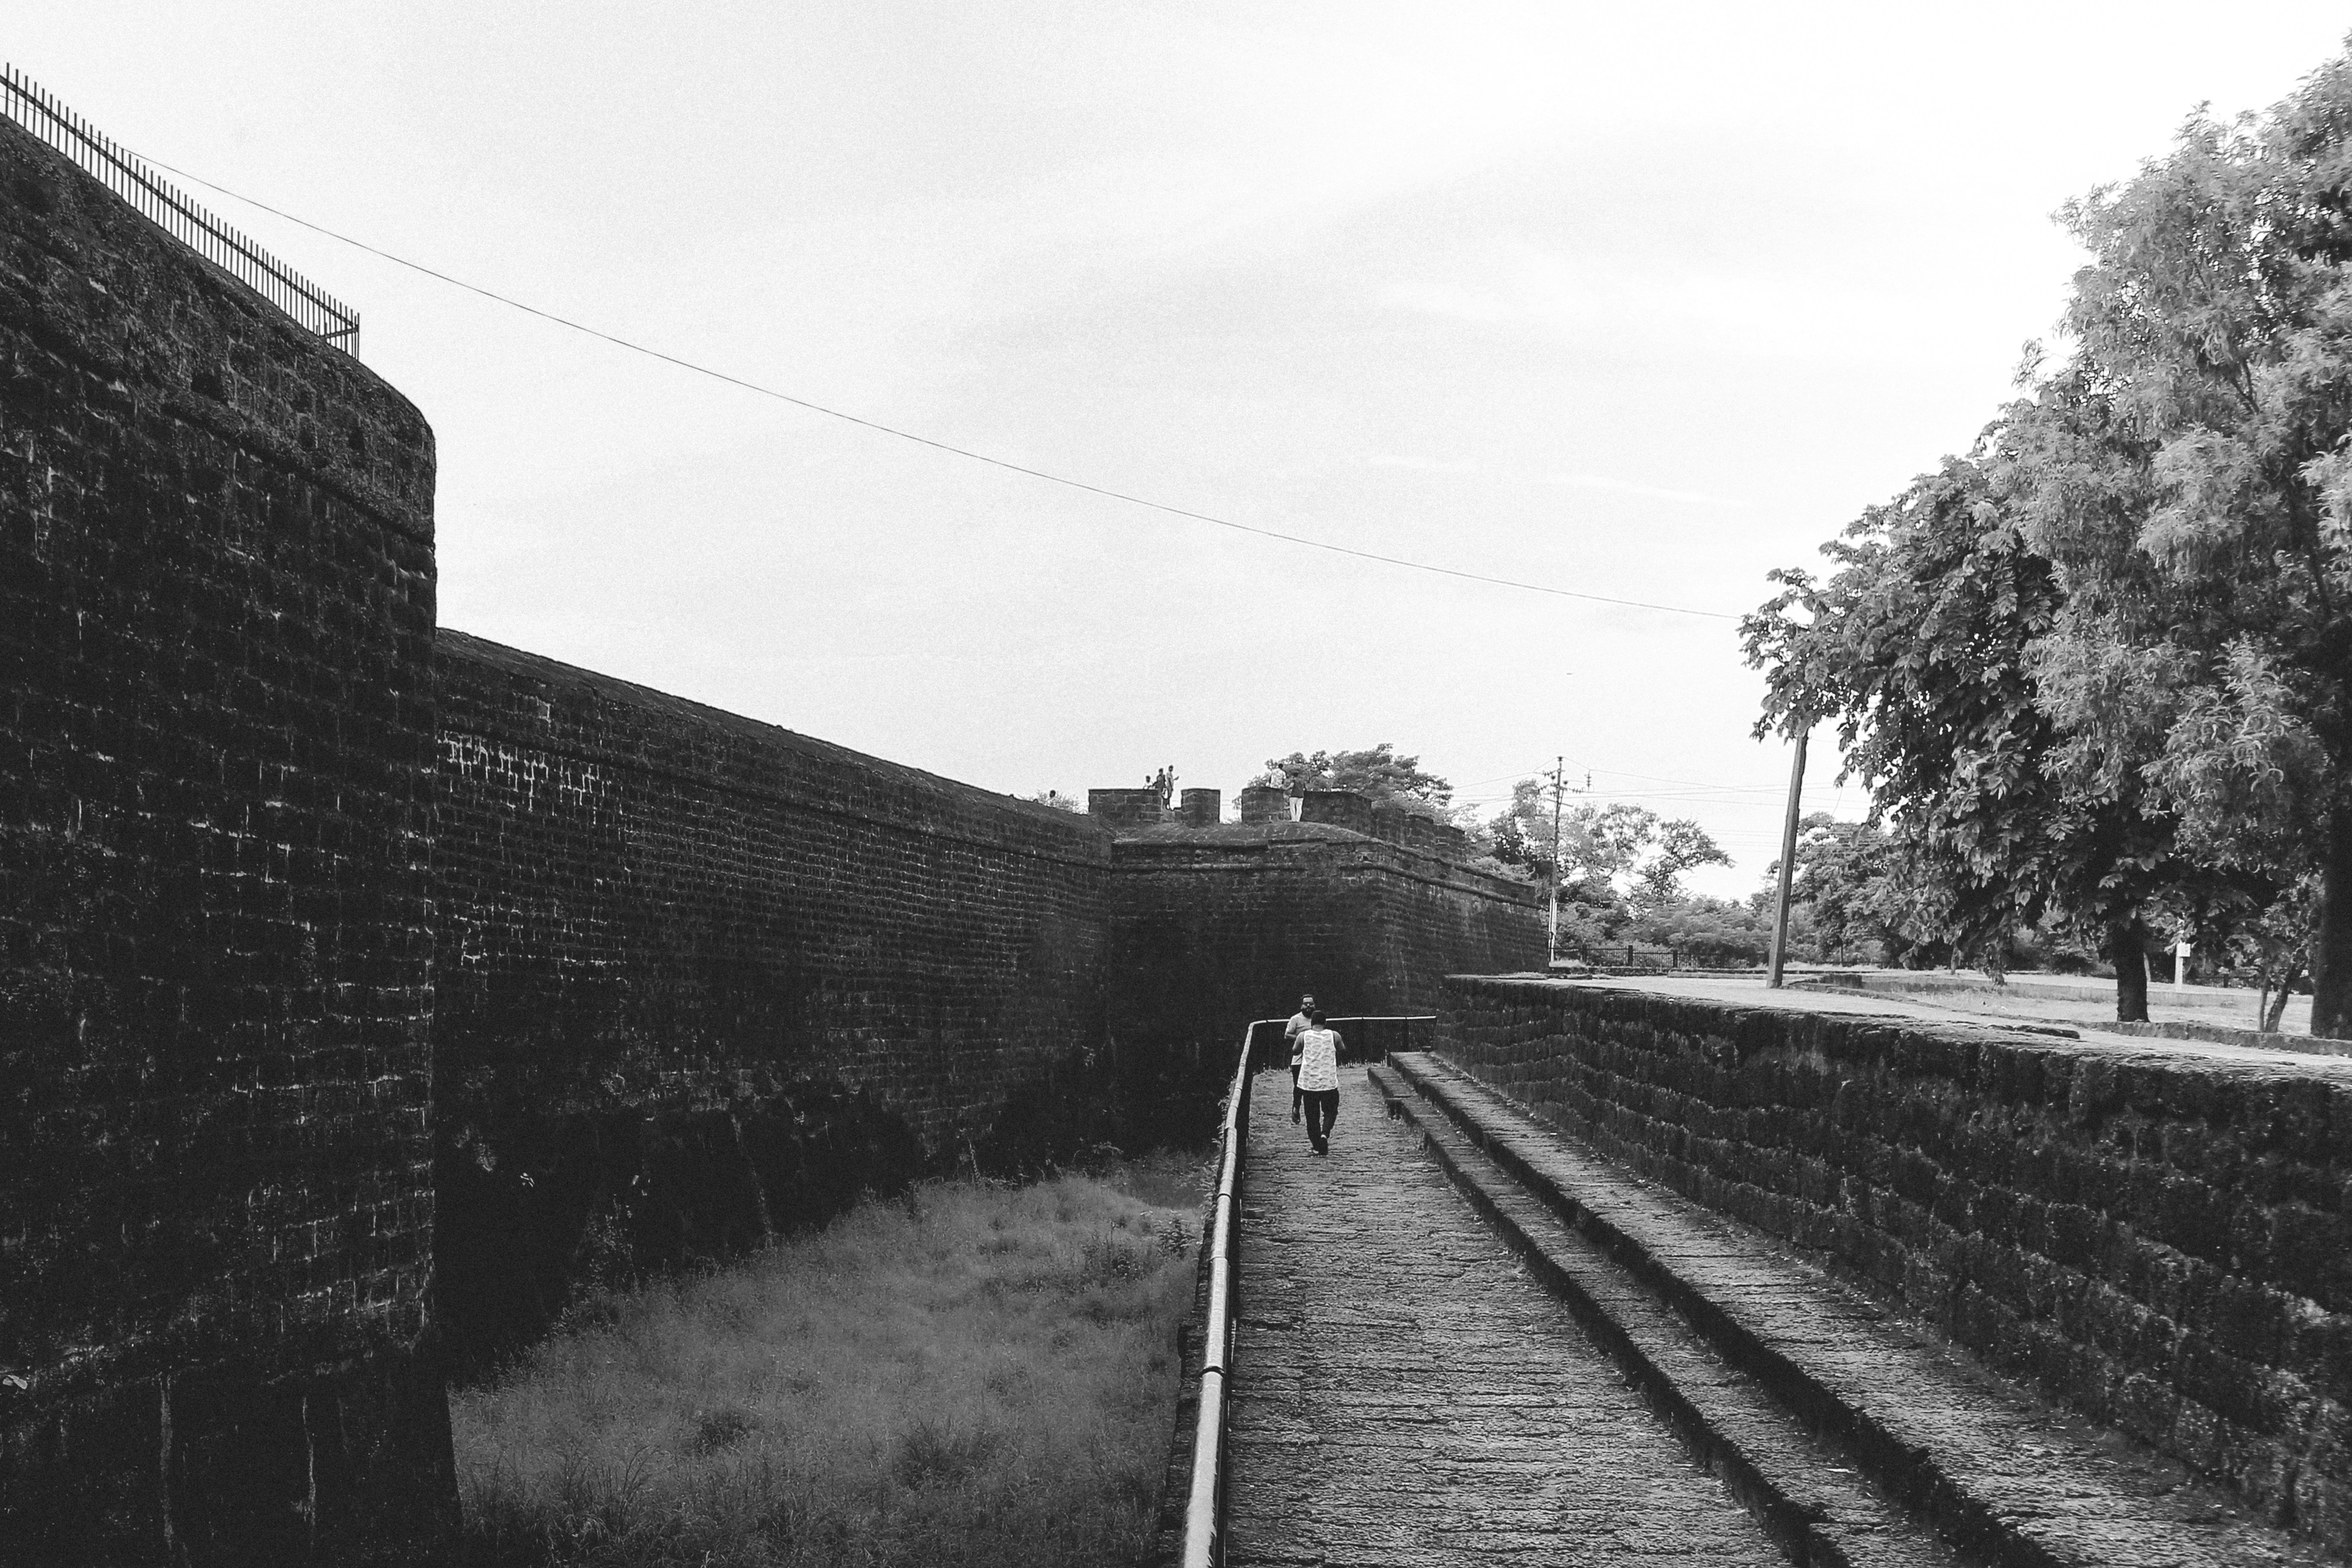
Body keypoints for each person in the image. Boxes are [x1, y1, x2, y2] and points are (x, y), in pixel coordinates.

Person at [1295, 1008, 1343, 1156]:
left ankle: (1317, 1146)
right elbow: (1342, 1049)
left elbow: (1295, 1050)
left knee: (1312, 1117)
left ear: (1311, 1023)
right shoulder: (1334, 1035)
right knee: (1331, 1111)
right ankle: (1325, 1134)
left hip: (1309, 1083)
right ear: (1325, 1023)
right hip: (1328, 1081)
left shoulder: (1303, 1036)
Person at [1284, 993, 1316, 1123]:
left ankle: (1312, 1114)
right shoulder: (1295, 1019)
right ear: (1301, 1005)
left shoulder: (1317, 1019)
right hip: (1299, 1060)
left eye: (1311, 1004)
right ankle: (1296, 1107)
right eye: (1306, 1004)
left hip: (1315, 1060)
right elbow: (1287, 1035)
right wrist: (1302, 1038)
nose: (1308, 1006)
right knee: (1298, 1087)